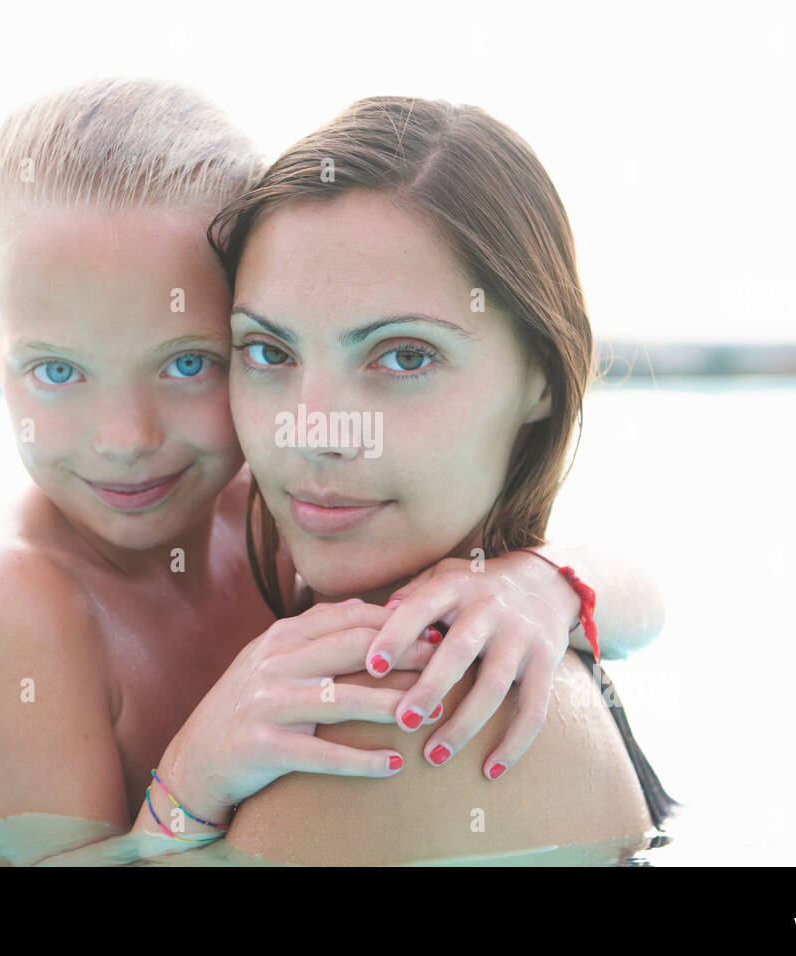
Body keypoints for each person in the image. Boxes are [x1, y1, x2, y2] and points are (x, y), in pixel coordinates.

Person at [0, 78, 666, 866]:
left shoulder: (271, 511)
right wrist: (185, 781)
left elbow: (646, 600)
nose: (125, 439)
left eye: (189, 364)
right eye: (58, 371)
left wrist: (549, 581)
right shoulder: (8, 602)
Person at [153, 95, 678, 864]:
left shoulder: (392, 717)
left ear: (542, 373)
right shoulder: (512, 612)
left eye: (403, 356)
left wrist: (178, 794)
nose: (315, 431)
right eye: (269, 352)